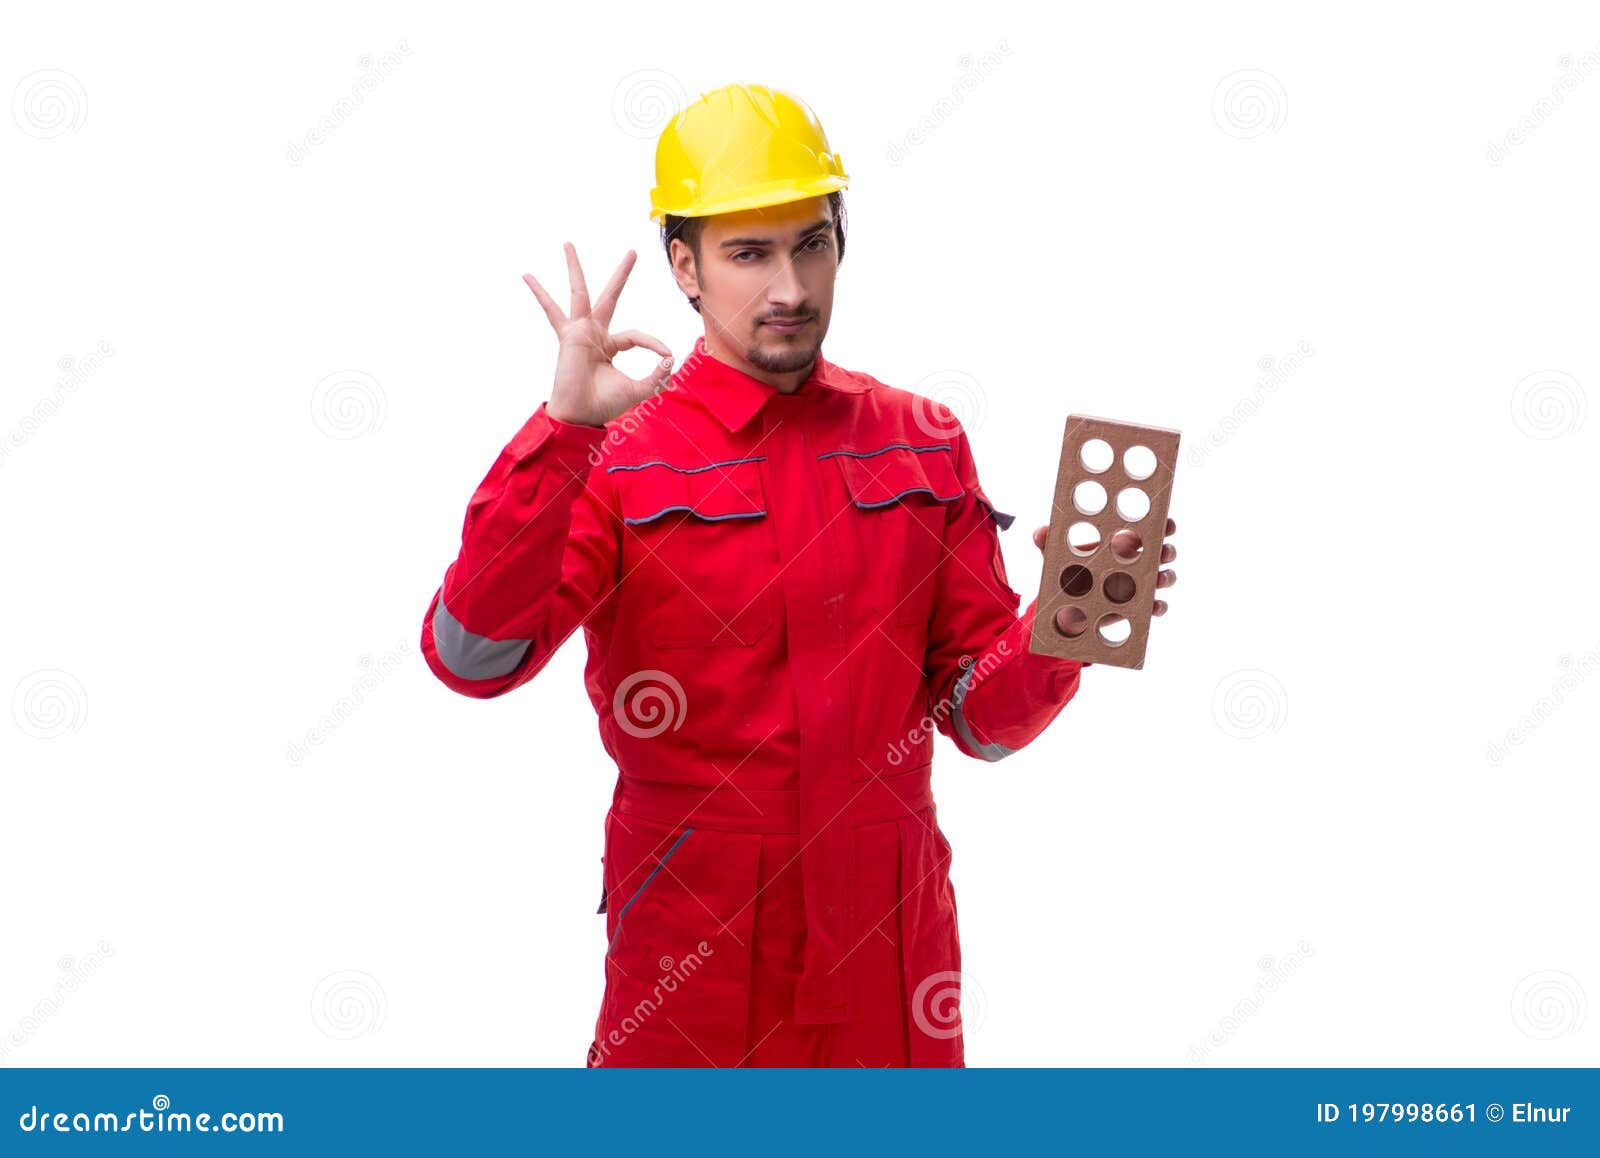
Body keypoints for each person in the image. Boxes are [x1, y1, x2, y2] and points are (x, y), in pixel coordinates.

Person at [420, 82, 1178, 1066]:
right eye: (749, 253)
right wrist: (563, 437)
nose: (790, 286)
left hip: (889, 948)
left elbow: (975, 723)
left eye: (810, 243)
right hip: (692, 948)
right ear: (684, 267)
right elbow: (475, 657)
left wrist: (1062, 623)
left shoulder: (919, 439)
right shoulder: (615, 451)